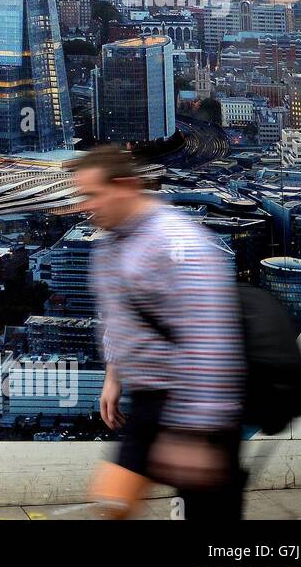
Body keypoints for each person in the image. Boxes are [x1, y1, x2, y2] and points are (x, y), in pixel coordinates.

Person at [72, 145, 247, 520]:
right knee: (112, 504)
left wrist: (195, 433)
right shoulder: (110, 245)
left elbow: (209, 340)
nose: (84, 206)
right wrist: (114, 376)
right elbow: (121, 318)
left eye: (92, 194)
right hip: (150, 401)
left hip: (200, 406)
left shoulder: (177, 243)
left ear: (124, 186)